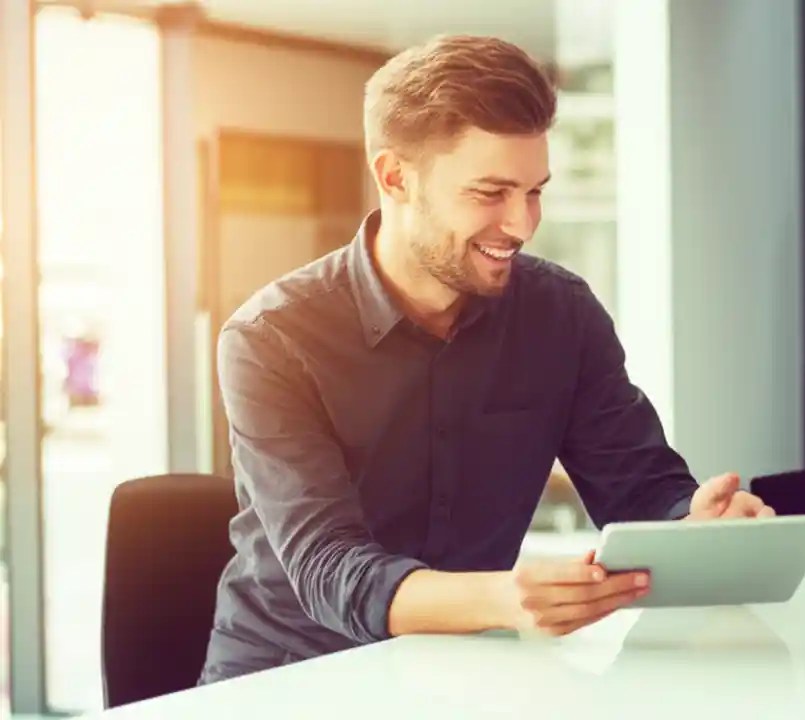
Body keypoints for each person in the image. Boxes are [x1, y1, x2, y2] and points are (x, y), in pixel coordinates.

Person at [200, 35, 775, 685]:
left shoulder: (561, 314)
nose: (524, 224)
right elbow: (331, 570)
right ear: (395, 177)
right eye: (491, 192)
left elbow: (641, 490)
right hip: (290, 678)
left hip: (471, 666)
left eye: (534, 192)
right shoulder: (270, 339)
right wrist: (505, 598)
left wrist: (694, 526)